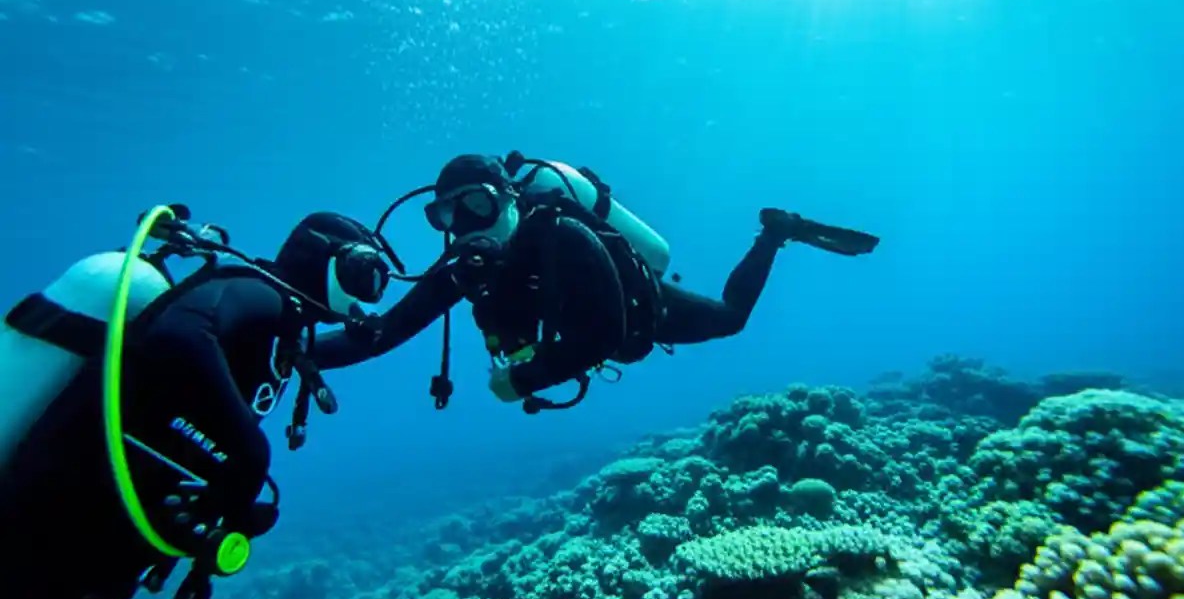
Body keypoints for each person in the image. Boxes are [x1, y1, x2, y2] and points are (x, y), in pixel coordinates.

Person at [0, 206, 391, 599]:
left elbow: (361, 344)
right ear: (325, 259)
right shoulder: (256, 291)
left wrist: (450, 284)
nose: (368, 294)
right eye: (364, 275)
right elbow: (179, 336)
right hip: (58, 523)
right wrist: (248, 456)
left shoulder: (283, 332)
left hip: (95, 538)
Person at [313, 151, 880, 412]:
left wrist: (527, 378)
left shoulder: (562, 235)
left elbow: (605, 335)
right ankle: (776, 234)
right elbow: (384, 332)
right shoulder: (467, 267)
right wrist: (296, 348)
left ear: (509, 200)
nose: (462, 227)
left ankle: (774, 234)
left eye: (477, 206)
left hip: (639, 312)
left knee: (731, 319)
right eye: (445, 216)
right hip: (579, 332)